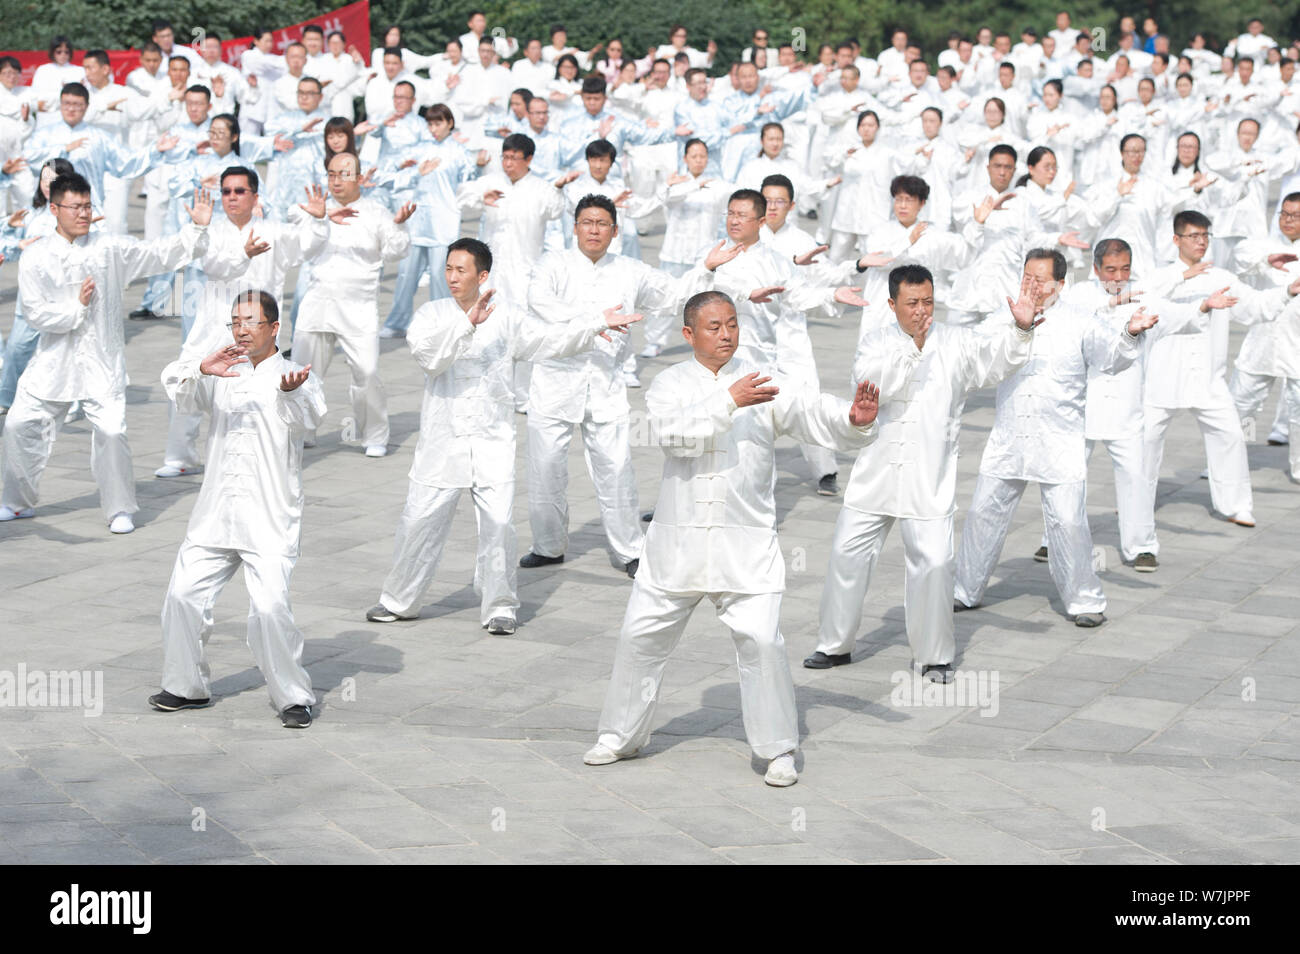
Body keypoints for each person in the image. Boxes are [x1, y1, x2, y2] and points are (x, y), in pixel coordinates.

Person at [583, 290, 880, 787]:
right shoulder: (670, 383)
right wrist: (729, 400)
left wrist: (852, 421)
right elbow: (675, 436)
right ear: (688, 334)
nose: (726, 334)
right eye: (714, 326)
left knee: (763, 642)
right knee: (639, 637)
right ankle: (619, 736)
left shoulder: (762, 378)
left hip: (745, 546)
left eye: (732, 325)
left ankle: (778, 749)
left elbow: (809, 411)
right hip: (677, 547)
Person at [366, 238, 648, 630]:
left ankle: (499, 605)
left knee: (499, 526)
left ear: (482, 276)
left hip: (492, 440)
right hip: (441, 441)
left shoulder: (508, 317)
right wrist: (467, 324)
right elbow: (431, 360)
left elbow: (549, 341)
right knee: (419, 520)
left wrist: (597, 322)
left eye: (461, 270)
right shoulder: (430, 315)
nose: (451, 277)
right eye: (448, 268)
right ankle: (399, 600)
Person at [808, 264, 1035, 682]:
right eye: (911, 303)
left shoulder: (956, 341)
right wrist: (913, 346)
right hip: (876, 472)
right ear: (892, 304)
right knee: (847, 554)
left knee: (933, 563)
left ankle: (934, 655)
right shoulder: (875, 342)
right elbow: (875, 384)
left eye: (928, 301)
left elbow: (994, 361)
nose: (921, 310)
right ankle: (833, 644)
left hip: (929, 476)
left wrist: (1019, 330)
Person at [520, 194, 725, 575]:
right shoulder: (553, 264)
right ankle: (548, 546)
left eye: (602, 224)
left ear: (615, 231)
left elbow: (674, 296)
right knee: (545, 467)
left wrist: (705, 268)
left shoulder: (630, 270)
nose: (593, 230)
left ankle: (630, 550)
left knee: (616, 469)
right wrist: (598, 319)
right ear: (575, 227)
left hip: (605, 384)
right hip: (554, 381)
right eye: (586, 223)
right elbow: (541, 305)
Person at [953, 250, 1158, 626]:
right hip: (1009, 436)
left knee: (1066, 520)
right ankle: (964, 590)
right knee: (984, 511)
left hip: (1059, 440)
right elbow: (972, 349)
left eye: (1041, 279)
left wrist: (1130, 332)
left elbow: (1111, 357)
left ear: (1060, 284)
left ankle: (1084, 600)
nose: (1031, 285)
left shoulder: (1081, 322)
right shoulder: (1004, 315)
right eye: (1026, 276)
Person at [150, 290, 325, 729]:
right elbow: (178, 389)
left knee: (269, 609)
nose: (241, 329)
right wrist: (200, 368)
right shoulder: (222, 370)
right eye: (235, 321)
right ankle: (185, 686)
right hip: (214, 513)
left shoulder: (296, 374)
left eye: (250, 321)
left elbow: (310, 419)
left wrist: (288, 395)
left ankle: (293, 696)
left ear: (273, 327)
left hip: (269, 518)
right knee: (182, 596)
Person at [0, 172, 211, 531]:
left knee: (112, 432)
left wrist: (196, 231)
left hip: (102, 361)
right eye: (75, 207)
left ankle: (119, 508)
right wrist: (76, 308)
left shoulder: (109, 248)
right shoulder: (36, 255)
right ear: (54, 209)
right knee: (20, 424)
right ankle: (17, 501)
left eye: (87, 206)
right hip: (52, 364)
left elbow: (157, 254)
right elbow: (35, 314)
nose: (83, 214)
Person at [154, 166, 334, 478]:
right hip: (213, 324)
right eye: (226, 191)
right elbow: (214, 265)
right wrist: (244, 253)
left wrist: (319, 220)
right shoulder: (210, 229)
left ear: (255, 196)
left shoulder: (274, 231)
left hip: (258, 331)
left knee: (260, 391)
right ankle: (179, 455)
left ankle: (264, 456)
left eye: (240, 191)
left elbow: (309, 245)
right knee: (188, 379)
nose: (232, 197)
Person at [1139, 210, 1300, 537]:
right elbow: (1146, 297)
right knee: (1146, 442)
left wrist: (1288, 291)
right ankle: (1135, 501)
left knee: (1229, 436)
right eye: (1193, 236)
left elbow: (1255, 307)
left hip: (1208, 379)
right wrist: (1183, 278)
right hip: (1163, 376)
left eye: (1205, 236)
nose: (1200, 242)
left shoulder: (1219, 277)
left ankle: (1236, 505)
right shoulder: (1161, 276)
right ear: (1176, 240)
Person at [292, 151, 414, 457]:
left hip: (358, 306)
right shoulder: (316, 207)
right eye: (331, 174)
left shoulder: (376, 212)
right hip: (318, 300)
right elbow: (304, 250)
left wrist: (398, 226)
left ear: (360, 178)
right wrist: (318, 218)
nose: (336, 181)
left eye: (344, 175)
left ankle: (374, 434)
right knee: (303, 371)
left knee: (367, 370)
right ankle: (302, 430)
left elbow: (395, 252)